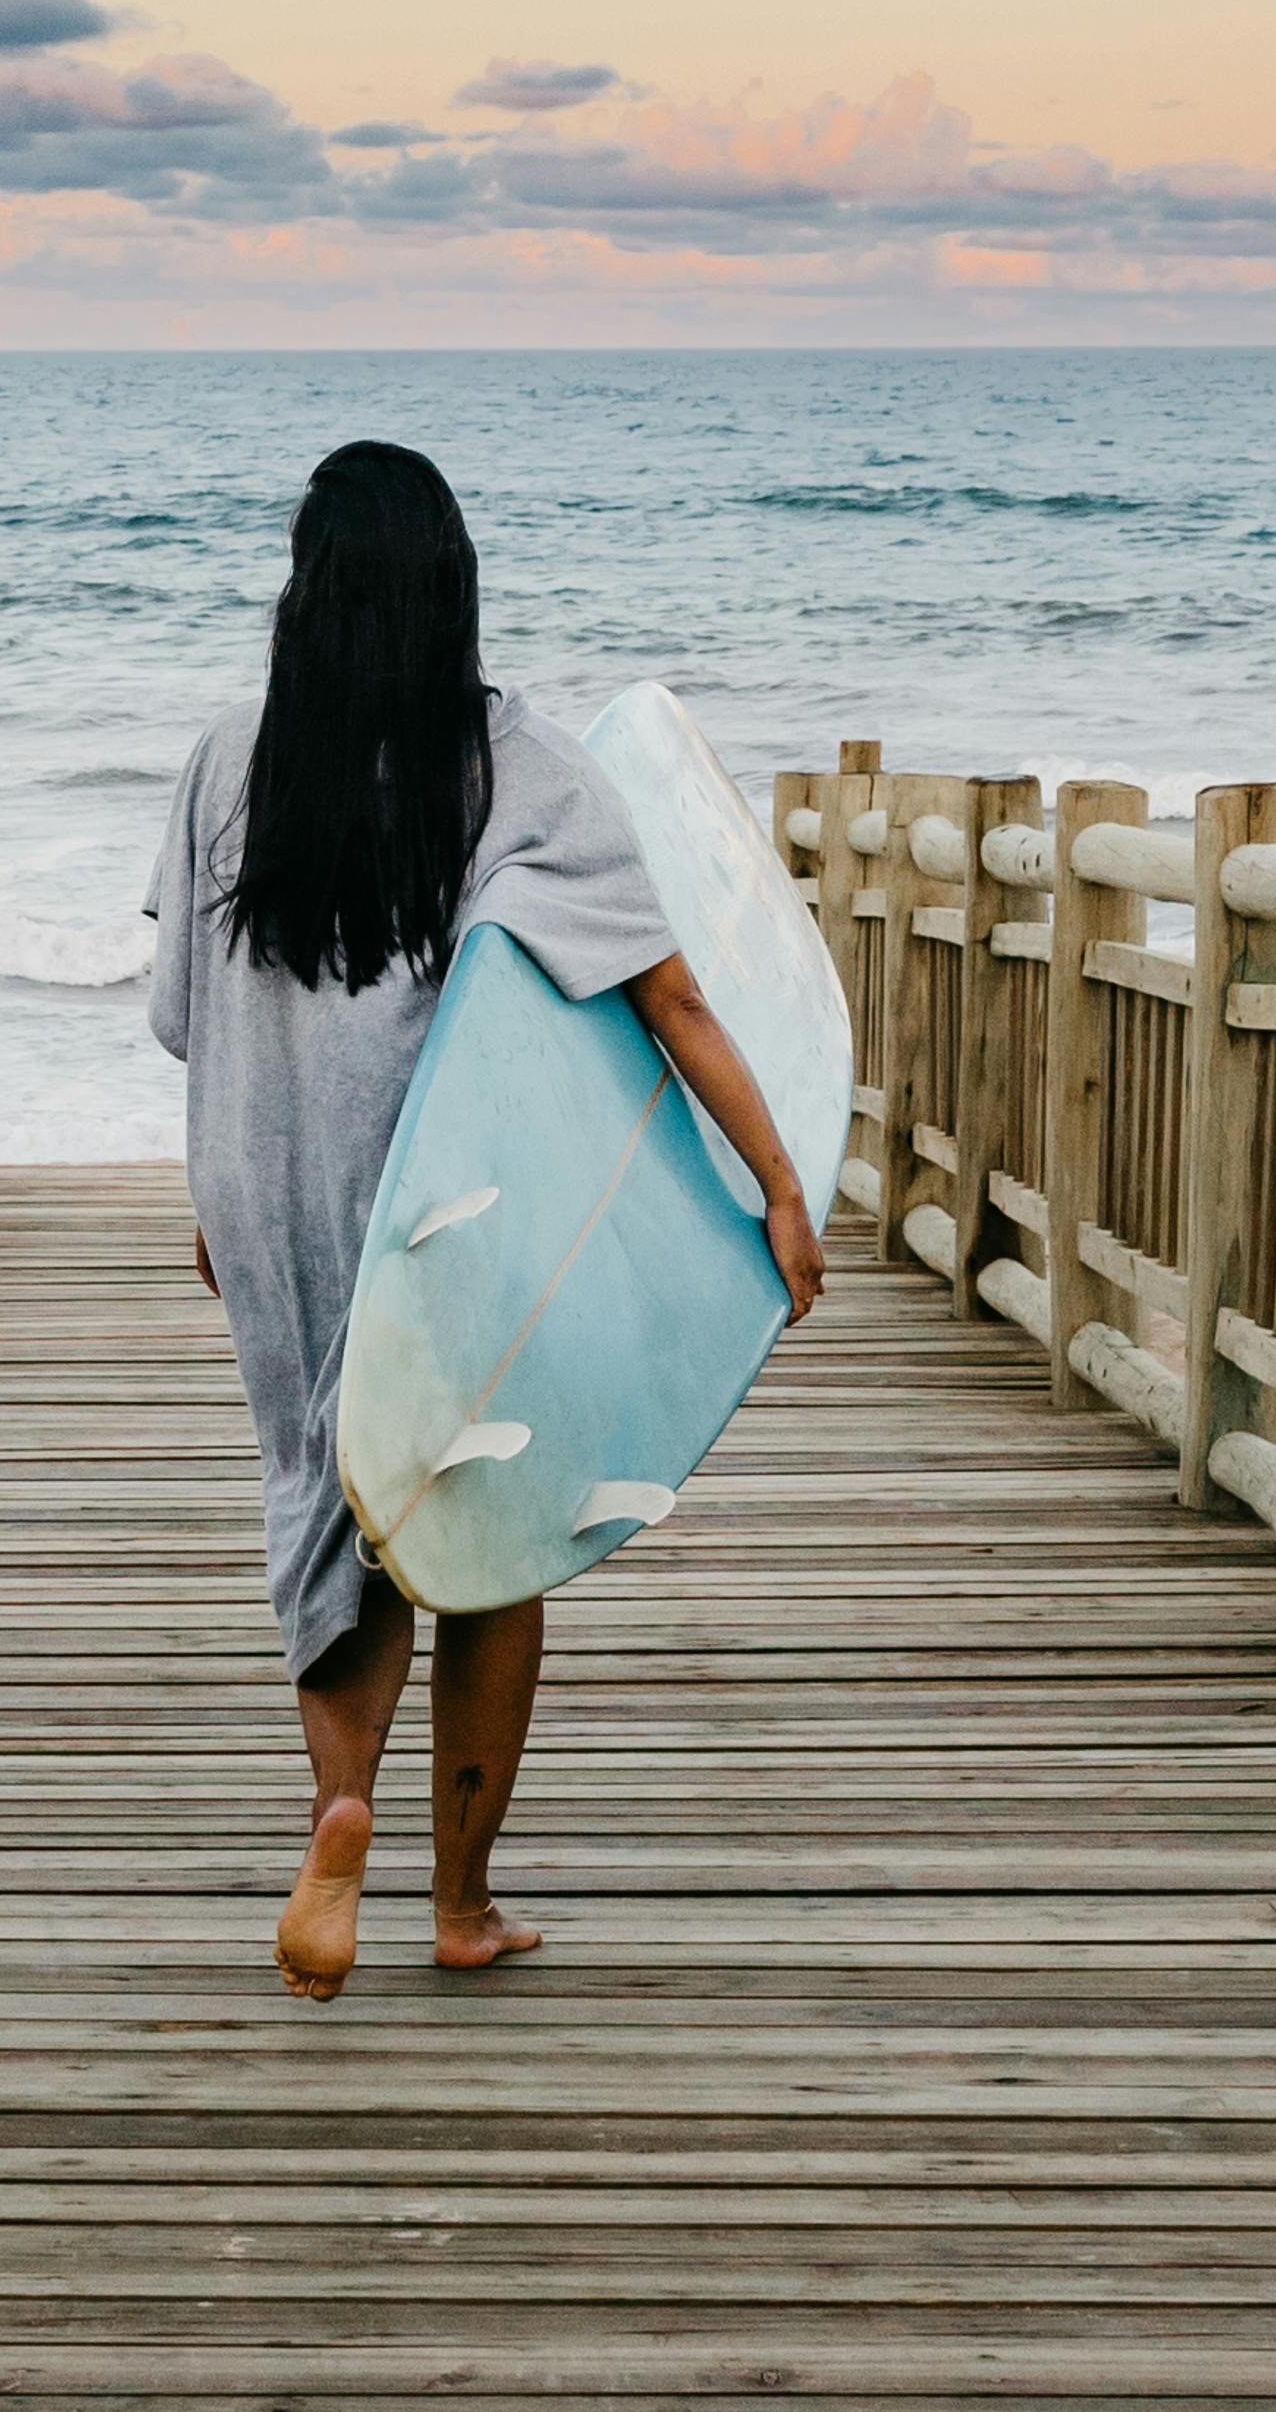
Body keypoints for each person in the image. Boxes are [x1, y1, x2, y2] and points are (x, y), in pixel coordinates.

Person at [145, 437, 825, 2002]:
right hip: (446, 1195)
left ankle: (339, 1804)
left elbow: (190, 1014)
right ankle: (457, 1904)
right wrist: (777, 1186)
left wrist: (213, 1198)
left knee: (329, 1484)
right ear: (454, 590)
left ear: (302, 595)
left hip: (265, 1180)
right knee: (480, 1523)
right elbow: (664, 993)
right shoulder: (512, 763)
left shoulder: (221, 760)